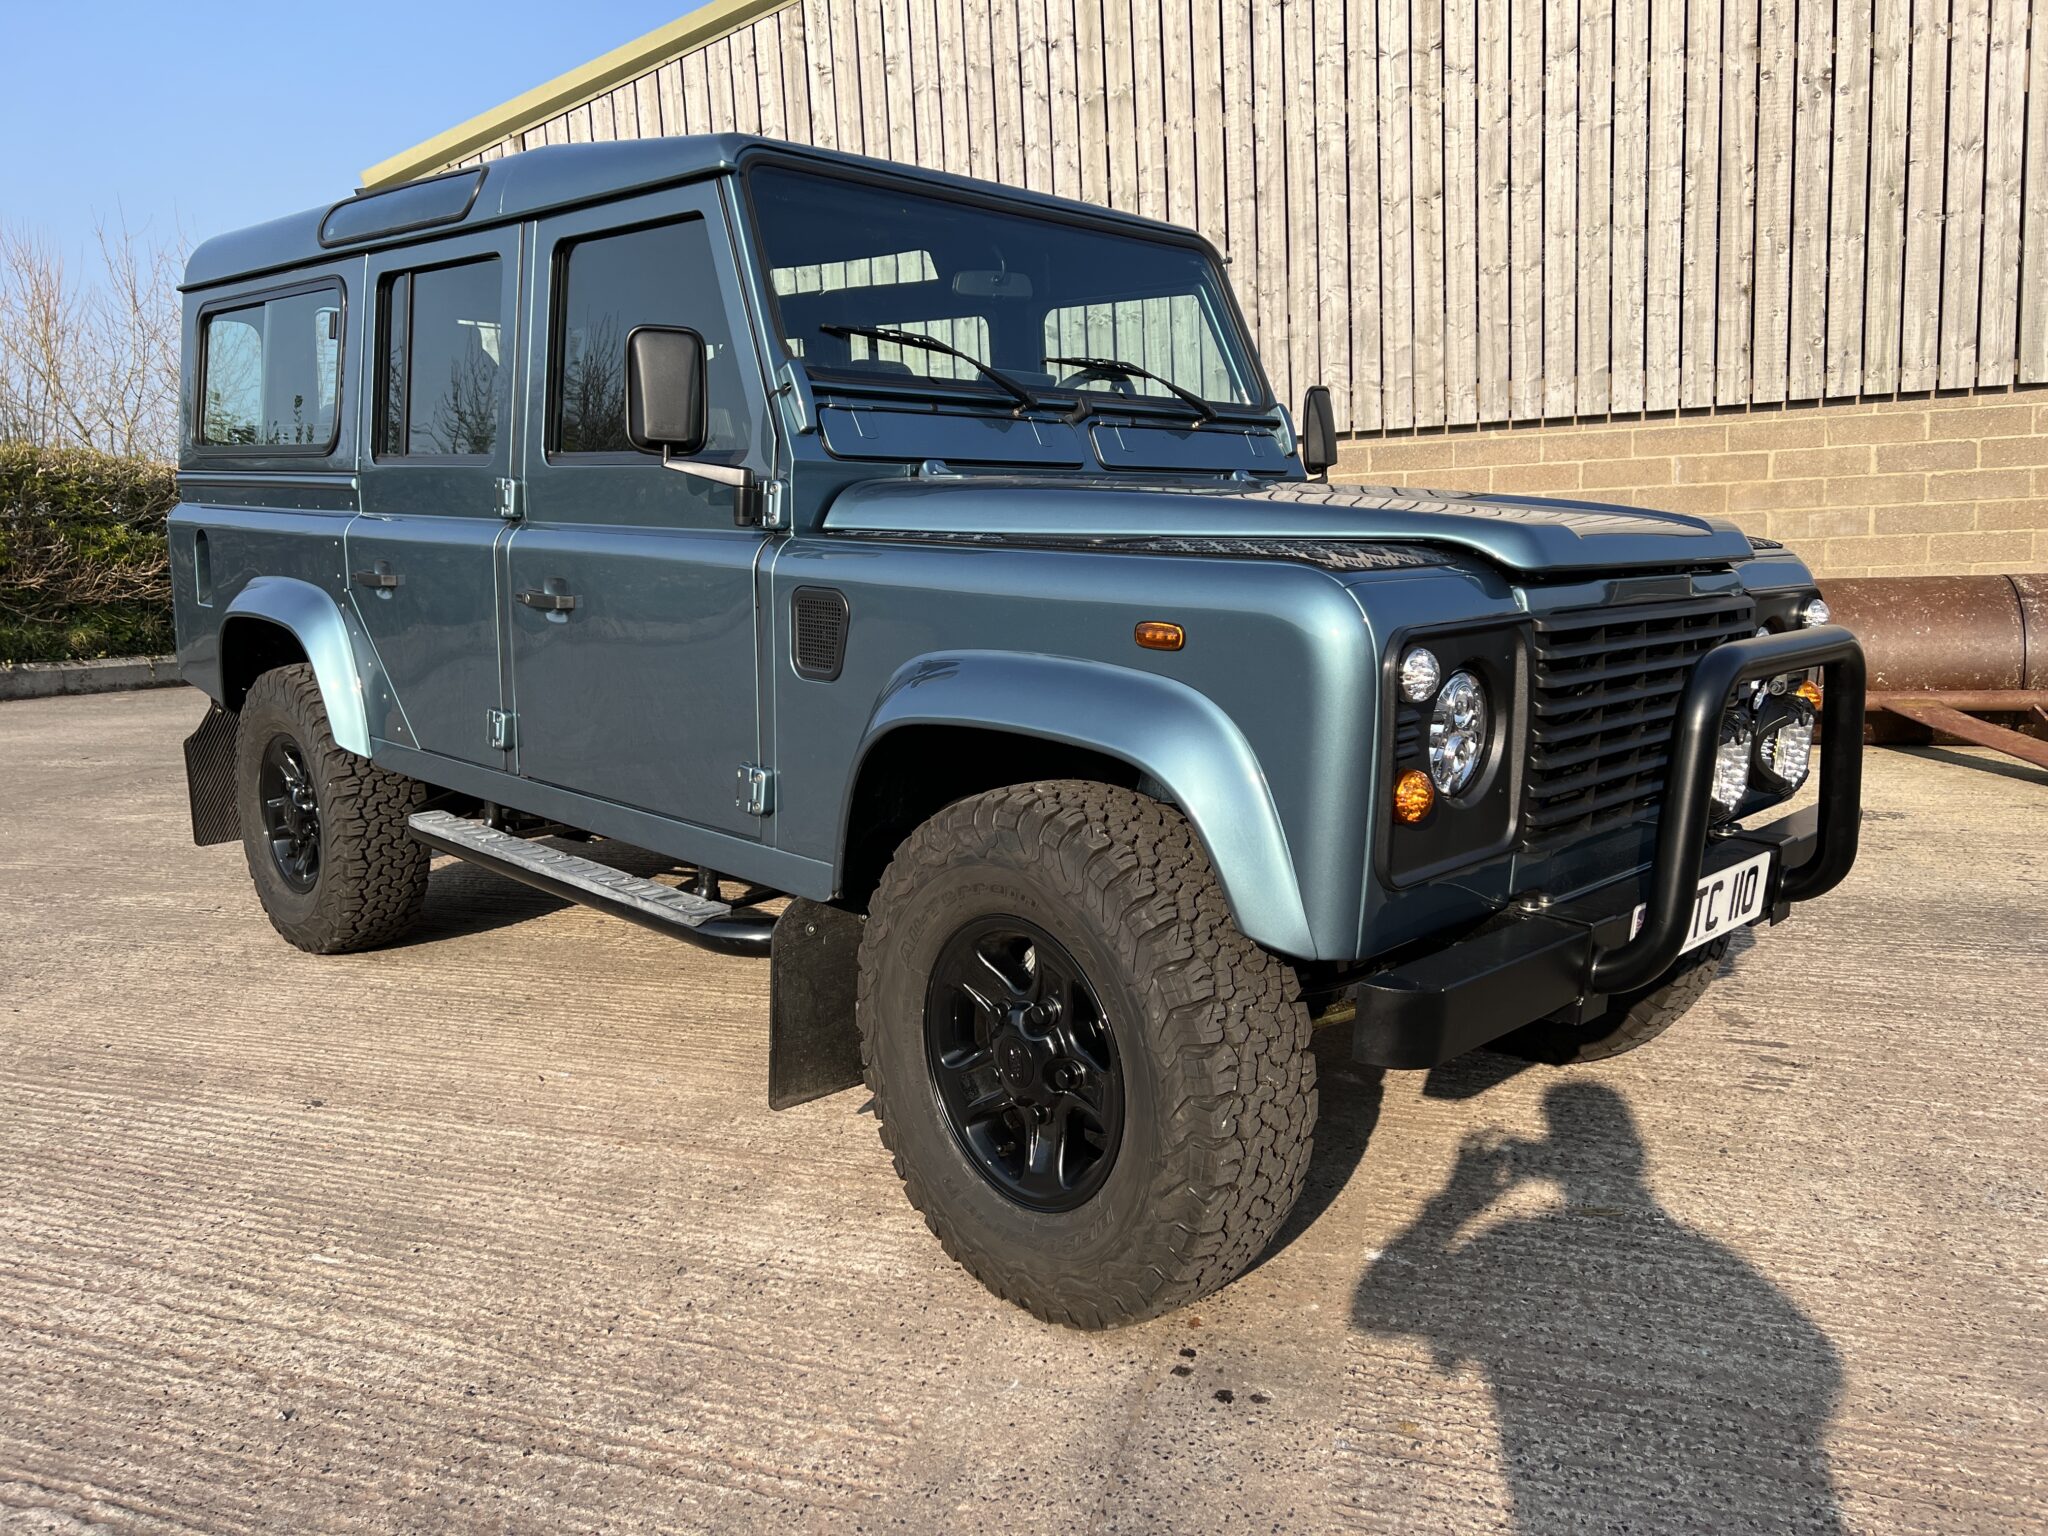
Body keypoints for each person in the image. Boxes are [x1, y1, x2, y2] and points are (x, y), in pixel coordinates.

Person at [1354, 1079, 1845, 1532]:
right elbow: (1820, 1368)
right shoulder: (1709, 1259)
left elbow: (1374, 1313)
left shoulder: (1514, 1237)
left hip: (1549, 1488)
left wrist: (1461, 1199)